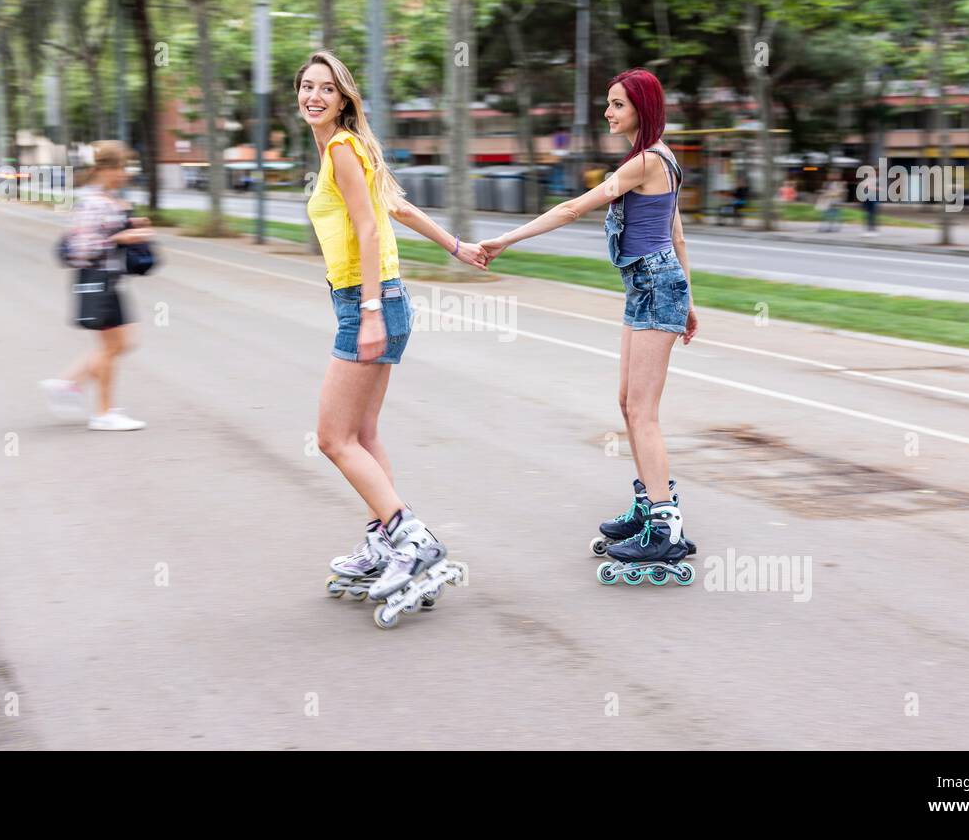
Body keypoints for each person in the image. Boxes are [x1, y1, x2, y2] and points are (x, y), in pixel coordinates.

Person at [479, 67, 699, 583]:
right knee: (628, 402)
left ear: (642, 109)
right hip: (651, 287)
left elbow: (575, 206)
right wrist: (688, 296)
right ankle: (649, 506)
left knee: (642, 411)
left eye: (617, 104)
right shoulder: (662, 158)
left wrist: (505, 239)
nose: (608, 112)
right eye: (609, 103)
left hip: (653, 286)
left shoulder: (646, 162)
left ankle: (665, 527)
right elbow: (678, 236)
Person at [297, 51, 487, 619]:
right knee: (365, 433)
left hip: (369, 302)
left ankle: (413, 539)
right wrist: (456, 245)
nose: (314, 96)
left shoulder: (339, 148)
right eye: (307, 86)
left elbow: (368, 226)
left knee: (333, 439)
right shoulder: (346, 149)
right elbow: (397, 208)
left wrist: (373, 310)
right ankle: (386, 539)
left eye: (326, 89)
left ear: (344, 99)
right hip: (375, 300)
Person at [40, 141, 151, 431]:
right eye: (121, 167)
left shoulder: (104, 198)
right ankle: (103, 413)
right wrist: (120, 239)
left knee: (122, 343)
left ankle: (66, 385)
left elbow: (100, 233)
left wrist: (130, 225)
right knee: (111, 347)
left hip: (109, 280)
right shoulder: (93, 201)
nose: (125, 174)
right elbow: (80, 249)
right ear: (104, 169)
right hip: (99, 282)